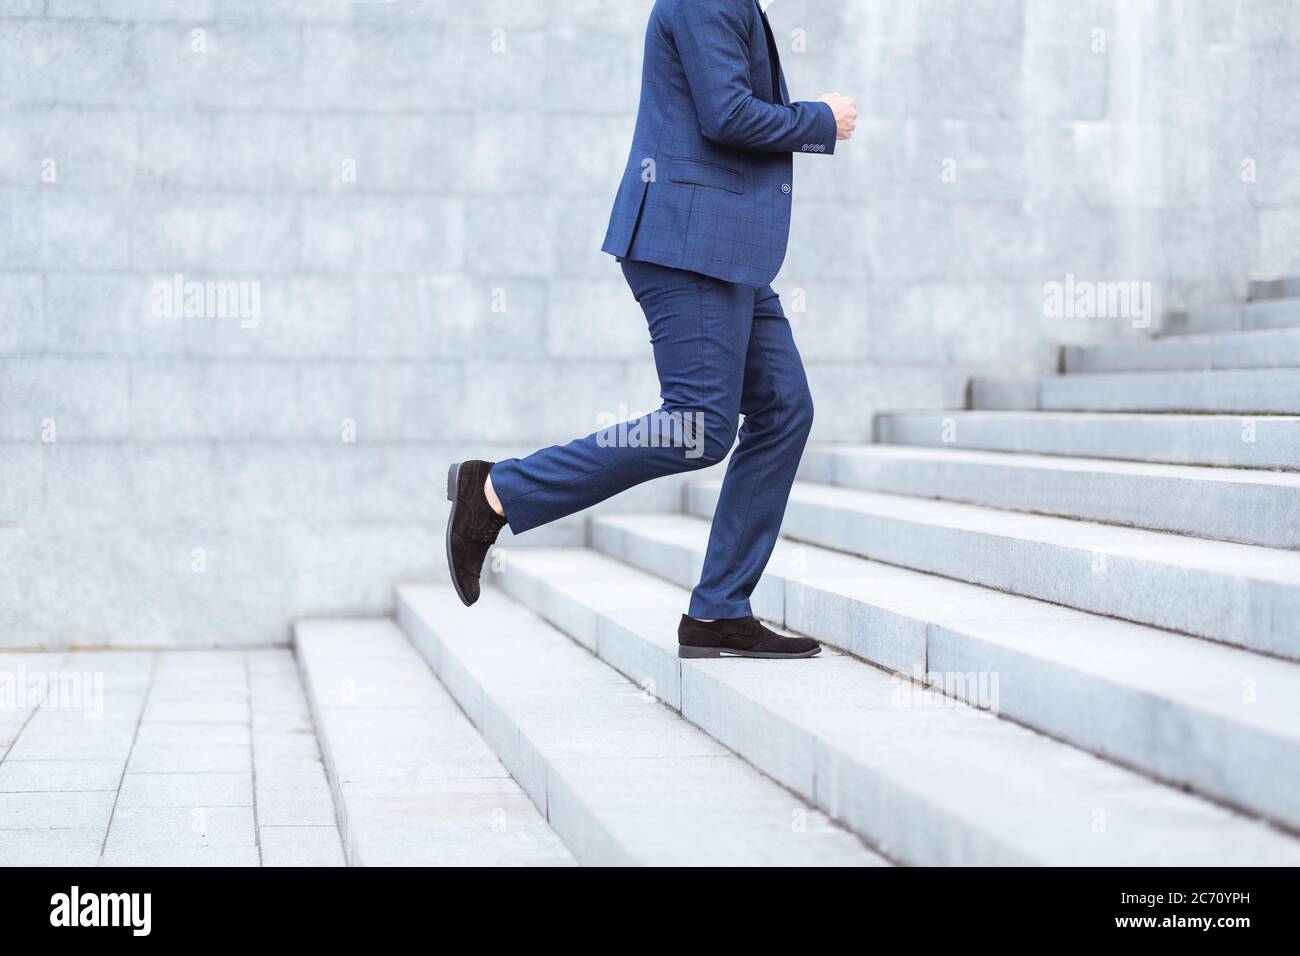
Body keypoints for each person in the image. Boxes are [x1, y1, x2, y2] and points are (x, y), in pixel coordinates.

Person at [446, 0, 857, 660]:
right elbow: (726, 114)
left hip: (726, 251)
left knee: (783, 409)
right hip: (687, 244)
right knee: (697, 426)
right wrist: (820, 120)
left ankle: (719, 610)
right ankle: (496, 492)